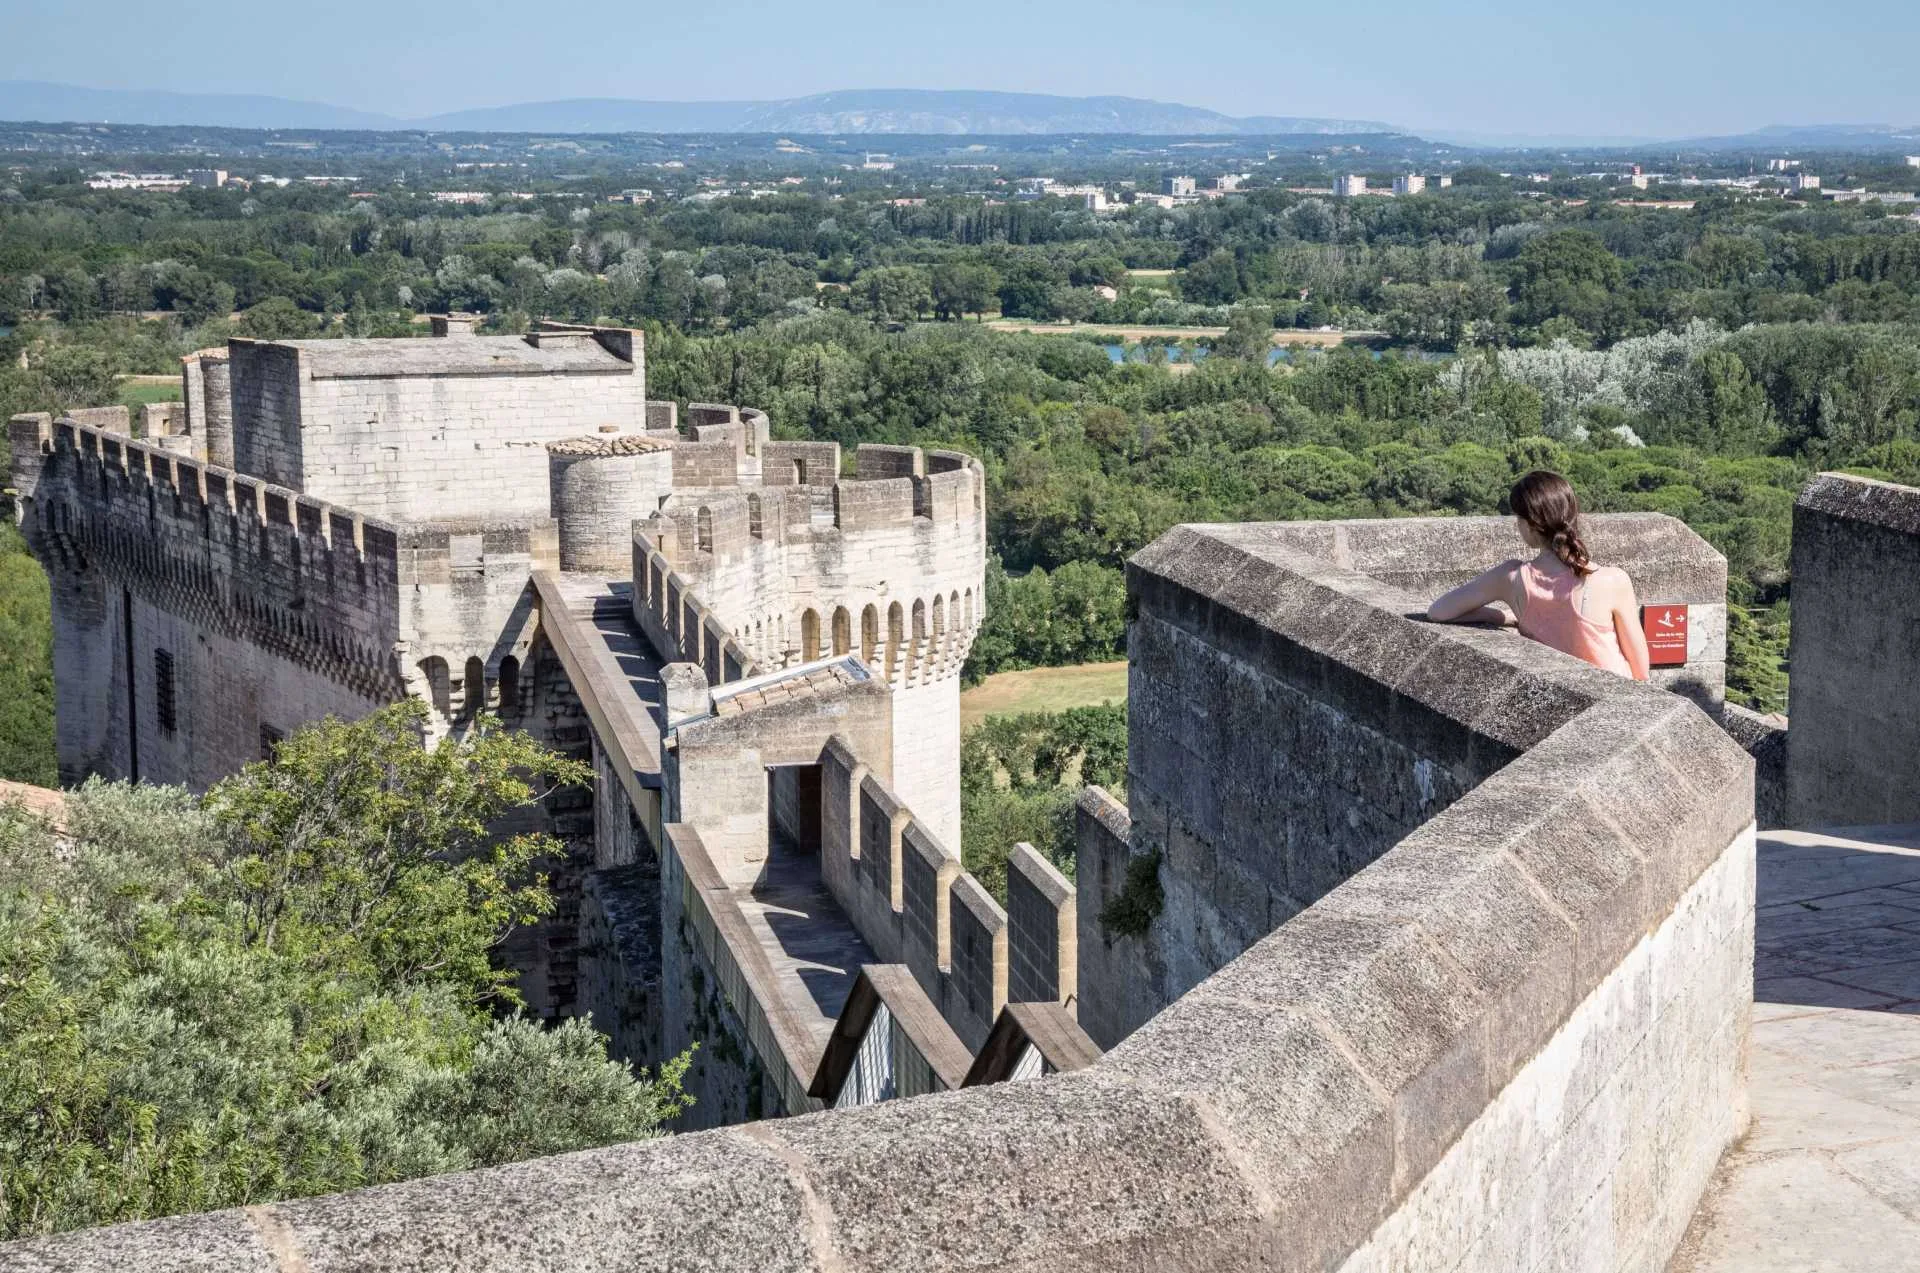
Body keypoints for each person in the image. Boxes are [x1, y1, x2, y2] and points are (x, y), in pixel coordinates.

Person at [1427, 471, 1650, 681]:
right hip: (1616, 702)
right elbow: (1641, 671)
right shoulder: (1611, 580)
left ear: (1530, 524)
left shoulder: (1511, 577)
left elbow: (1439, 611)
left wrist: (1501, 617)